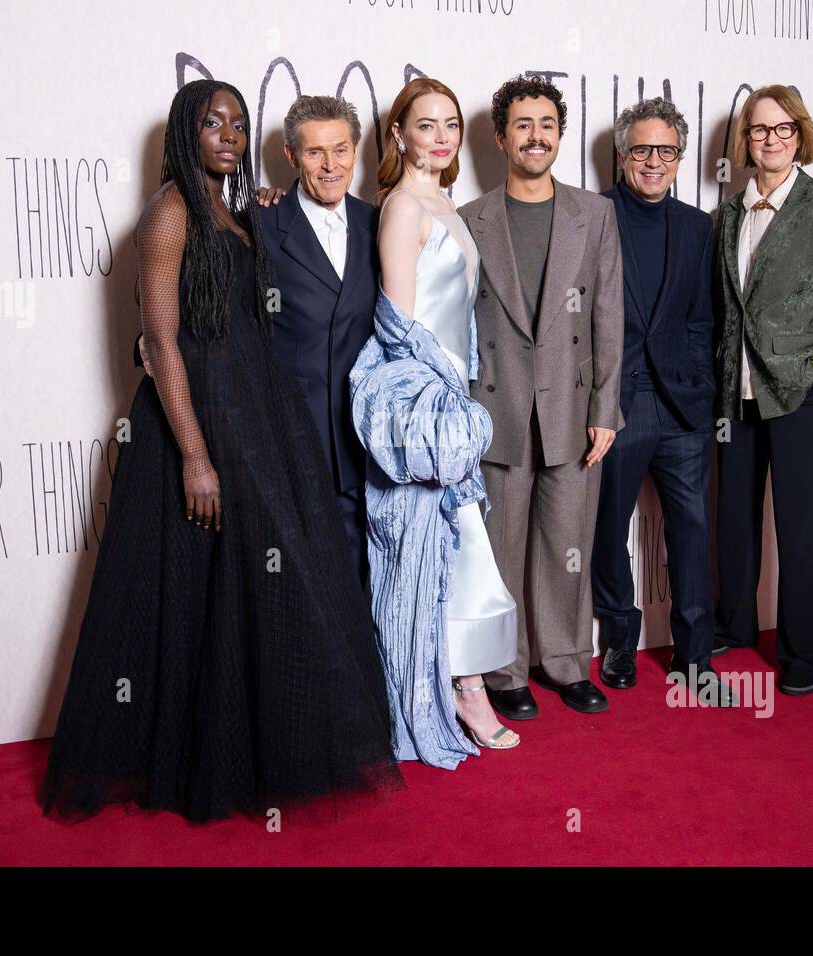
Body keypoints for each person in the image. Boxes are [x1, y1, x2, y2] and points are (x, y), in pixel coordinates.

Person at [40, 79, 401, 824]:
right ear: (185, 132)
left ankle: (257, 753)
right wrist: (196, 458)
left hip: (255, 418)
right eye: (214, 123)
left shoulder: (238, 214)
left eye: (238, 123)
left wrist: (264, 204)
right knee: (201, 600)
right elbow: (160, 341)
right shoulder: (168, 216)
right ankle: (200, 765)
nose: (230, 134)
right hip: (198, 426)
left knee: (252, 595)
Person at [138, 95, 377, 584]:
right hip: (283, 436)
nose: (330, 165)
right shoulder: (257, 223)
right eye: (314, 153)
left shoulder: (383, 224)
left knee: (365, 585)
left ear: (357, 151)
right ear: (291, 157)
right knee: (294, 588)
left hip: (368, 438)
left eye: (341, 150)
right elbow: (196, 315)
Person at [352, 77, 520, 769]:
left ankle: (461, 681)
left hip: (450, 401)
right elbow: (398, 322)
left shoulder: (444, 201)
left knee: (456, 549)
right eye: (427, 125)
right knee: (429, 550)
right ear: (399, 135)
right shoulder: (400, 206)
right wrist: (440, 407)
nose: (443, 136)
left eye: (451, 123)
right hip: (418, 405)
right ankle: (456, 691)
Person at [458, 75, 624, 720]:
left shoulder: (595, 214)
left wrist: (605, 411)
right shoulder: (469, 220)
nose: (536, 135)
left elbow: (610, 316)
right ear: (501, 137)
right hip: (495, 411)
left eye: (547, 123)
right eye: (522, 124)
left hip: (573, 412)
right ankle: (504, 671)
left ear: (560, 133)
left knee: (566, 544)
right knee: (501, 548)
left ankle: (564, 663)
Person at [710, 84, 813, 696]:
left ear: (799, 135)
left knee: (801, 526)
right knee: (735, 520)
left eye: (782, 129)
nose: (770, 140)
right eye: (758, 130)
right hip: (736, 390)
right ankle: (736, 625)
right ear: (746, 142)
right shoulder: (725, 216)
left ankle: (806, 653)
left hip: (800, 390)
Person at [592, 97, 730, 702]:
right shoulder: (590, 218)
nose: (654, 161)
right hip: (616, 405)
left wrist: (698, 387)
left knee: (694, 530)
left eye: (666, 150)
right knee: (607, 530)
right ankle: (620, 641)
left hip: (683, 410)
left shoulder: (699, 226)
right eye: (641, 149)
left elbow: (704, 319)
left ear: (679, 157)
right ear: (622, 156)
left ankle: (694, 656)